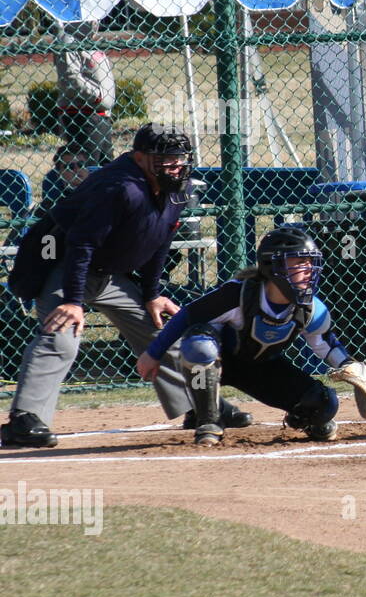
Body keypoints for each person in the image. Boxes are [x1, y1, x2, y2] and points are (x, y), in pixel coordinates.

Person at [1, 124, 250, 450]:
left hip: (109, 275)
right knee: (61, 336)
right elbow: (81, 244)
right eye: (165, 159)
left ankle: (200, 407)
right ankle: (24, 419)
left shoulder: (177, 187)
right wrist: (74, 300)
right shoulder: (119, 188)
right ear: (140, 158)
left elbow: (162, 238)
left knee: (163, 331)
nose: (175, 165)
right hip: (66, 266)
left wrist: (151, 295)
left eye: (180, 158)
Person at [135, 226, 366, 446]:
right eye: (298, 263)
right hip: (221, 361)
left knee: (326, 404)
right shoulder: (238, 295)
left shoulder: (310, 308)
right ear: (273, 266)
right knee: (199, 346)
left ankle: (303, 420)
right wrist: (153, 353)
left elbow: (325, 344)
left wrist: (350, 366)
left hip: (262, 368)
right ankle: (207, 418)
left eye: (310, 263)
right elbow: (187, 317)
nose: (308, 271)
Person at [53, 20, 115, 167]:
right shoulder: (68, 40)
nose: (95, 21)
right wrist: (98, 96)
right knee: (86, 167)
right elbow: (70, 79)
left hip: (100, 115)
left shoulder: (89, 42)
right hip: (82, 115)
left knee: (106, 166)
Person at [35, 146, 90, 220]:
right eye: (70, 166)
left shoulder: (99, 191)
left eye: (81, 164)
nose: (77, 169)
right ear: (59, 174)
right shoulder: (51, 204)